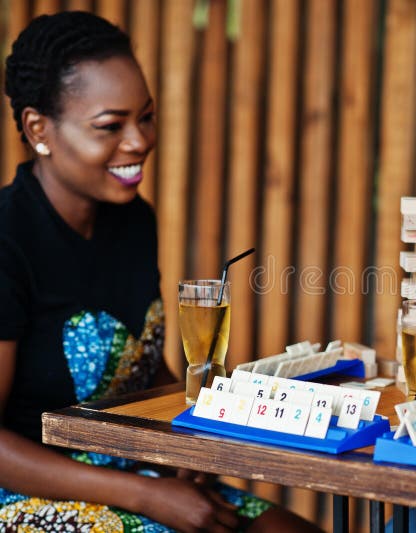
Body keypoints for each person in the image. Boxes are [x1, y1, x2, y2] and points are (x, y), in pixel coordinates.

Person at [0, 12, 319, 532]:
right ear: (39, 128)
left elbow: (146, 373)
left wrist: (185, 446)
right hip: (27, 492)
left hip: (140, 473)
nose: (139, 141)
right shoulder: (9, 240)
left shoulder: (131, 220)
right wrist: (146, 496)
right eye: (110, 126)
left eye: (145, 117)